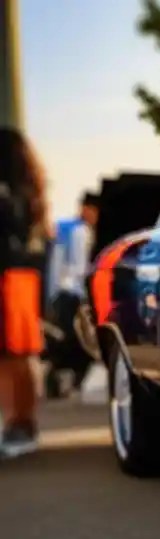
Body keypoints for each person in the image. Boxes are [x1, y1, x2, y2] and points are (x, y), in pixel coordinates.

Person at [0, 127, 51, 457]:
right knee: (16, 356)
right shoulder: (29, 193)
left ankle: (22, 425)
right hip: (20, 278)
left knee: (14, 355)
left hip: (8, 277)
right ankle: (20, 423)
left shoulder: (9, 196)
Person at [45, 191, 99, 396]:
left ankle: (59, 381)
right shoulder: (80, 231)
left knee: (60, 342)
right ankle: (70, 382)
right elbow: (78, 267)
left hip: (58, 293)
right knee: (79, 343)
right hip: (73, 293)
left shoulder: (63, 227)